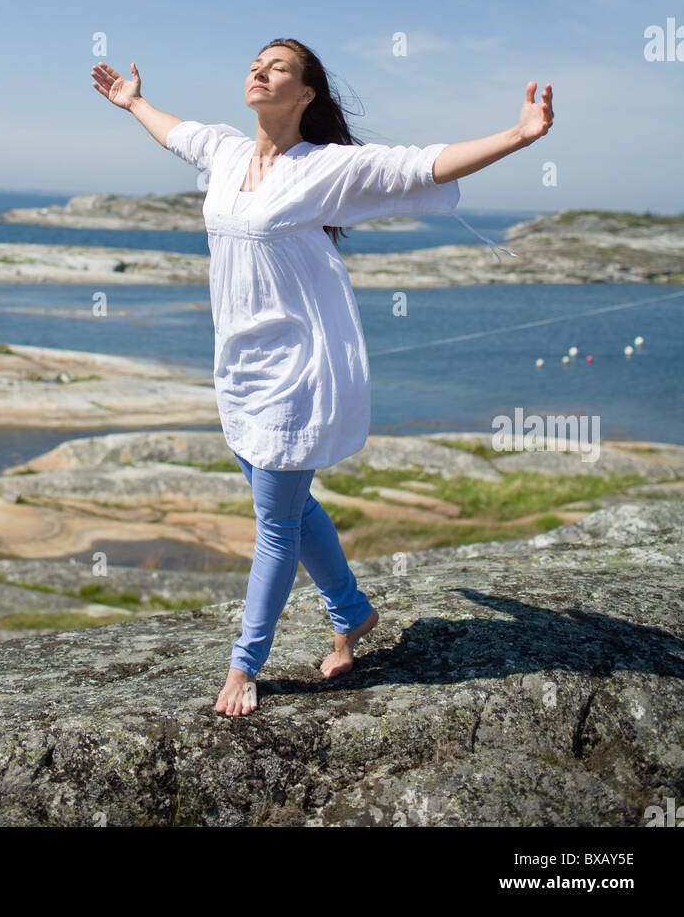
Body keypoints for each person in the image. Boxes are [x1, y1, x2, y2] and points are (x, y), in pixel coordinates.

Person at [92, 39, 553, 717]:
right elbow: (176, 135)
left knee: (275, 520)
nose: (259, 70)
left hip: (296, 373)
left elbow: (417, 165)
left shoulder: (324, 169)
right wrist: (133, 103)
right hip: (240, 363)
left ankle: (244, 664)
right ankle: (352, 612)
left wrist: (517, 136)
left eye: (277, 66)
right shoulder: (224, 153)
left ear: (306, 94)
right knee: (290, 504)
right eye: (255, 61)